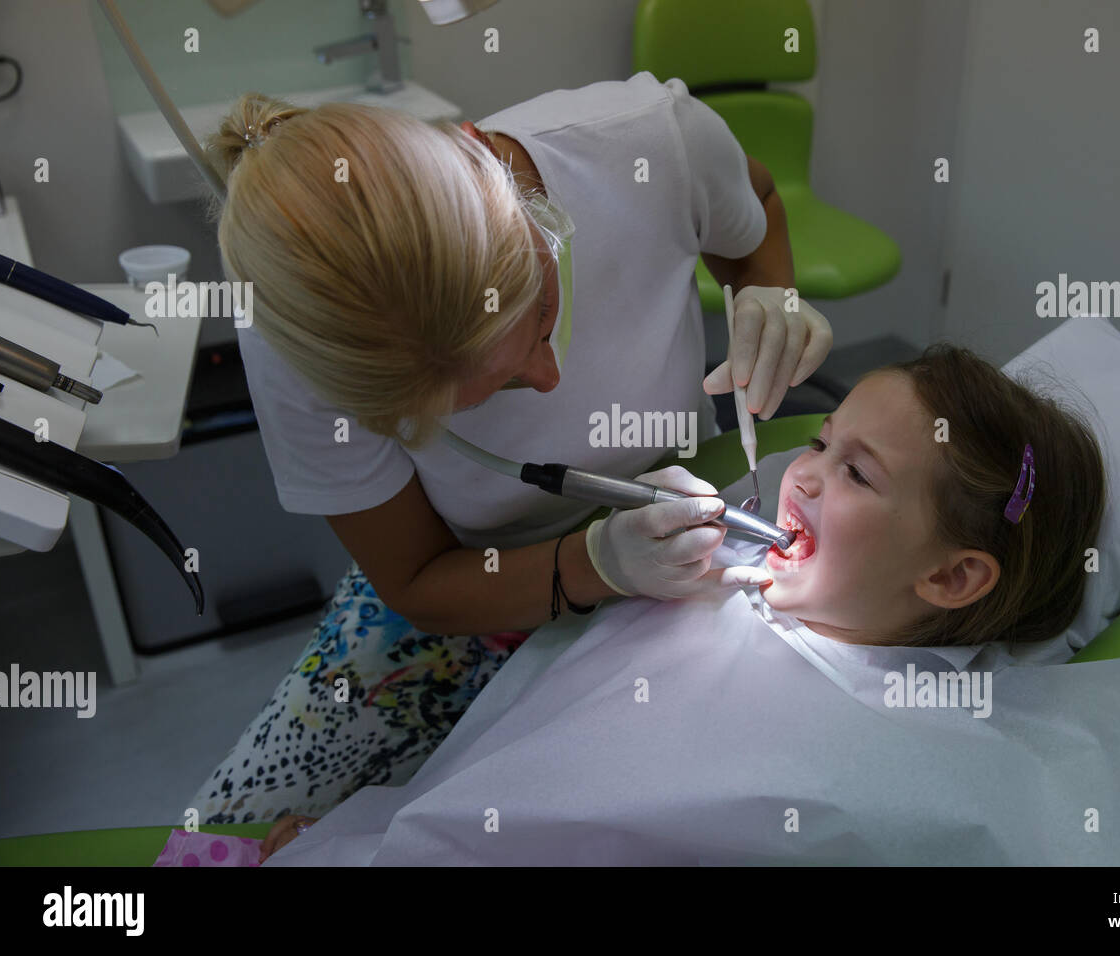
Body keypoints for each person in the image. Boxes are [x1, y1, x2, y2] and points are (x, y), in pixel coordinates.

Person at [188, 71, 833, 826]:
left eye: (543, 313)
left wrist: (770, 291)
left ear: (481, 160)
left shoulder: (647, 143)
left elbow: (753, 209)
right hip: (475, 580)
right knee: (238, 842)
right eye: (489, 394)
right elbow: (419, 579)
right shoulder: (289, 344)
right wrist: (596, 566)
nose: (551, 376)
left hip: (690, 499)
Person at [257, 343, 1115, 864]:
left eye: (856, 473)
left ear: (953, 579)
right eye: (820, 441)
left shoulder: (870, 771)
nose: (803, 474)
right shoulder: (708, 576)